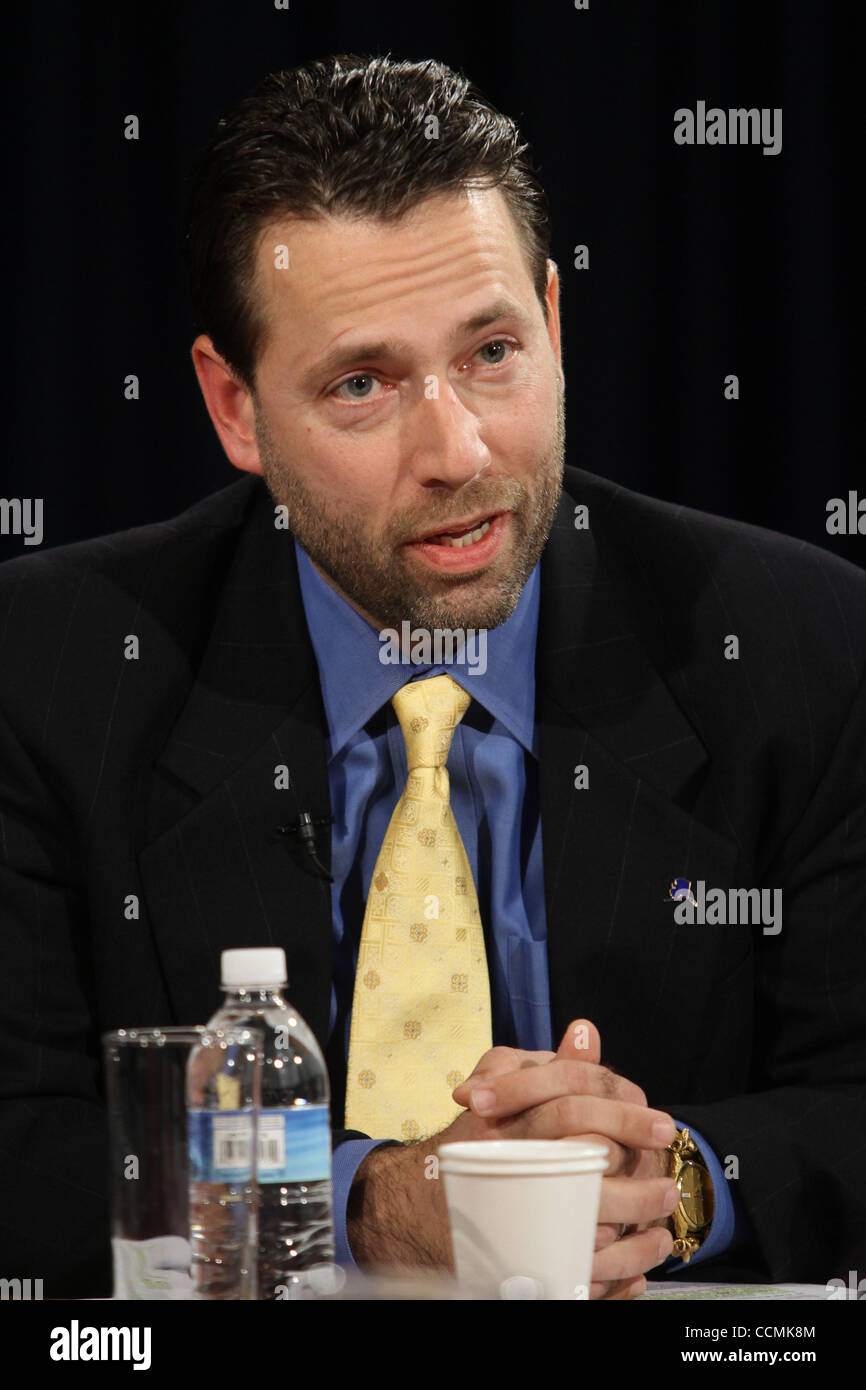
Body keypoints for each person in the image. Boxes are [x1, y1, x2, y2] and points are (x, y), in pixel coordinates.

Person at [1, 54, 864, 1301]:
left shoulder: (801, 647)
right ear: (234, 407)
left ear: (555, 325)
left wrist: (671, 1184)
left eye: (493, 352)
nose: (457, 449)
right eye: (362, 384)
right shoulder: (49, 670)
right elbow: (21, 1142)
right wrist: (364, 1202)